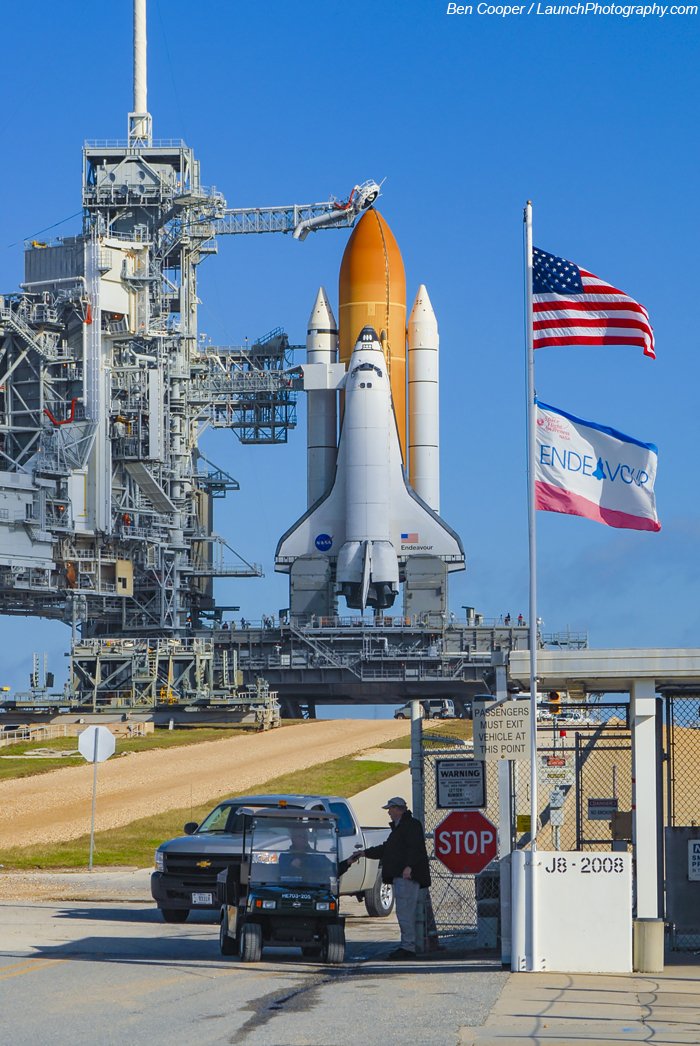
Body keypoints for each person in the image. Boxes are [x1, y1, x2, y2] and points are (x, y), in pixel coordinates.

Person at [356, 797, 430, 959]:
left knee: (405, 913)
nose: (388, 812)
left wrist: (409, 867)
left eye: (390, 809)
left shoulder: (411, 825)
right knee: (404, 912)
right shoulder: (399, 828)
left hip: (407, 877)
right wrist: (365, 853)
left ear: (399, 809)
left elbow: (416, 848)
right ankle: (407, 945)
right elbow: (386, 849)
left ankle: (408, 948)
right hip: (401, 877)